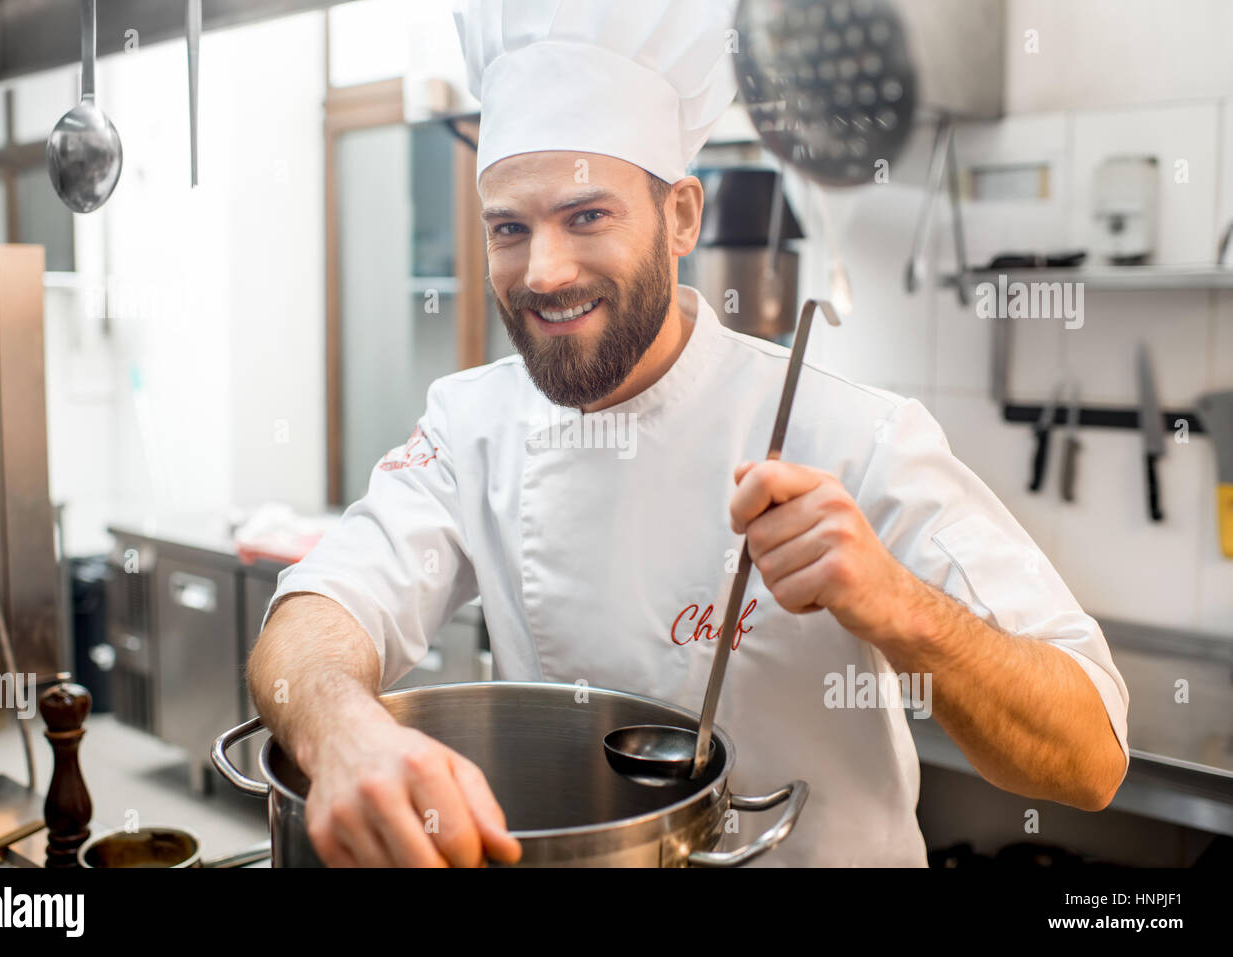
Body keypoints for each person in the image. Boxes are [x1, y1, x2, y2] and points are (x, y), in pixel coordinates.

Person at [247, 0, 1129, 867]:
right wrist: (346, 728)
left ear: (680, 217)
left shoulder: (852, 432)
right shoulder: (470, 424)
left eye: (586, 216)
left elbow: (1090, 758)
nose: (544, 271)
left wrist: (897, 605)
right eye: (509, 229)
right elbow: (318, 613)